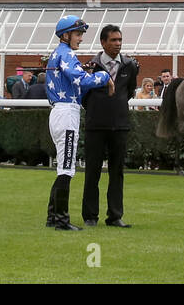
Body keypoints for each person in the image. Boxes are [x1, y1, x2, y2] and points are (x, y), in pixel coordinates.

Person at [45, 16, 111, 230]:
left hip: (60, 111)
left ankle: (53, 217)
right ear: (66, 35)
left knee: (63, 167)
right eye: (78, 34)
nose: (81, 38)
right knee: (66, 168)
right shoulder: (66, 53)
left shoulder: (59, 54)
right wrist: (104, 76)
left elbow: (76, 79)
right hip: (66, 113)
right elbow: (81, 80)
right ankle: (61, 221)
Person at [81, 24, 138, 228]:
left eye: (120, 40)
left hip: (120, 126)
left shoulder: (130, 66)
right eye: (113, 40)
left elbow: (129, 91)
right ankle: (90, 216)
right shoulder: (91, 67)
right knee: (92, 171)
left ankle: (115, 216)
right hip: (95, 126)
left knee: (117, 172)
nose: (118, 44)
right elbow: (84, 97)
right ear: (103, 42)